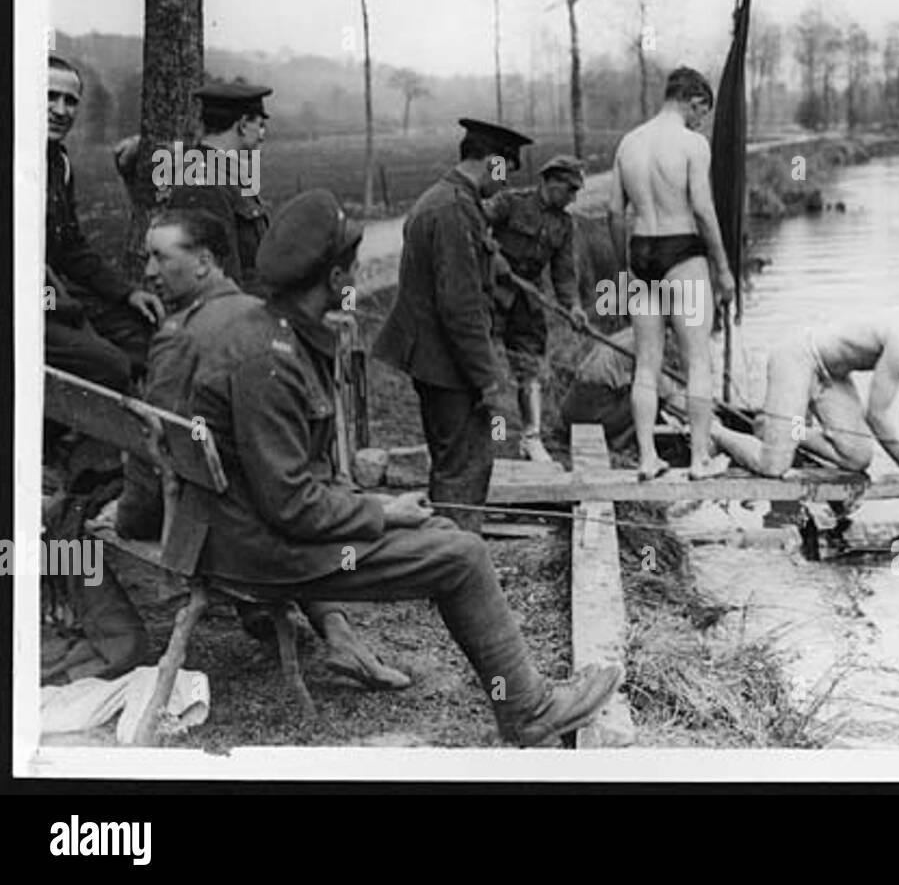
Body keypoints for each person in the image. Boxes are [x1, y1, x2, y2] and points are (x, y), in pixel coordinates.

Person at [181, 189, 623, 745]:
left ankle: (527, 698)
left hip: (251, 529)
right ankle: (529, 711)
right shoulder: (270, 360)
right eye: (351, 267)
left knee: (441, 530)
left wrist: (384, 511)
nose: (357, 276)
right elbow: (291, 502)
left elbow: (297, 478)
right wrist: (380, 512)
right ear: (336, 276)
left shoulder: (276, 334)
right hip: (262, 551)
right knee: (462, 555)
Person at [114, 207, 408, 690]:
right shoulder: (261, 317)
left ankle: (328, 632)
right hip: (270, 505)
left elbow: (154, 455)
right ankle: (339, 633)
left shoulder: (178, 336)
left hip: (217, 528)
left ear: (205, 262)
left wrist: (127, 520)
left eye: (160, 258)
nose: (149, 272)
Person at [373, 119, 531, 534]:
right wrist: (487, 379)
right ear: (493, 162)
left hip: (438, 358)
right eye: (507, 171)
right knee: (463, 466)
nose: (507, 183)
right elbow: (460, 307)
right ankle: (456, 564)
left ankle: (451, 559)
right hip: (446, 363)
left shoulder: (451, 200)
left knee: (455, 462)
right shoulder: (453, 209)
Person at [711, 295, 899, 501]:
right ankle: (715, 430)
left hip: (832, 375)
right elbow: (876, 414)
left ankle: (778, 428)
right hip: (799, 356)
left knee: (857, 457)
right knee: (772, 467)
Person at [609, 67, 735, 482]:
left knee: (646, 363)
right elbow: (702, 208)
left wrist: (623, 268)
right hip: (682, 252)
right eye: (703, 112)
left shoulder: (629, 143)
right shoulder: (692, 144)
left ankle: (648, 458)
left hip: (642, 251)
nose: (702, 122)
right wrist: (723, 268)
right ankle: (699, 460)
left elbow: (613, 212)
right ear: (695, 100)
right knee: (699, 360)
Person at [45, 54, 163, 391]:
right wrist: (67, 310)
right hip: (29, 306)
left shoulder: (59, 163)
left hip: (54, 296)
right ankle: (55, 438)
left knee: (142, 332)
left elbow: (71, 247)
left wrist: (126, 293)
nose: (60, 110)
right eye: (49, 96)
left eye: (70, 101)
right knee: (110, 366)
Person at [484, 154, 588, 463]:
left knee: (530, 369)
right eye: (568, 189)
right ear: (548, 182)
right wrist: (493, 255)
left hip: (527, 301)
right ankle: (488, 436)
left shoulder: (565, 224)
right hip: (491, 295)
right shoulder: (510, 203)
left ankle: (531, 438)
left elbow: (564, 272)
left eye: (575, 191)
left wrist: (574, 306)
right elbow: (471, 223)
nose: (572, 197)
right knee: (483, 367)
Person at [163, 80, 274, 292]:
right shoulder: (204, 183)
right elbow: (219, 281)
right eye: (260, 125)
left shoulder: (225, 174)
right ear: (242, 125)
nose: (263, 134)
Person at [559, 326, 685, 454]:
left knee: (643, 390)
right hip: (590, 409)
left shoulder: (637, 329)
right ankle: (620, 443)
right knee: (649, 398)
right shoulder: (651, 342)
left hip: (572, 407)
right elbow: (666, 392)